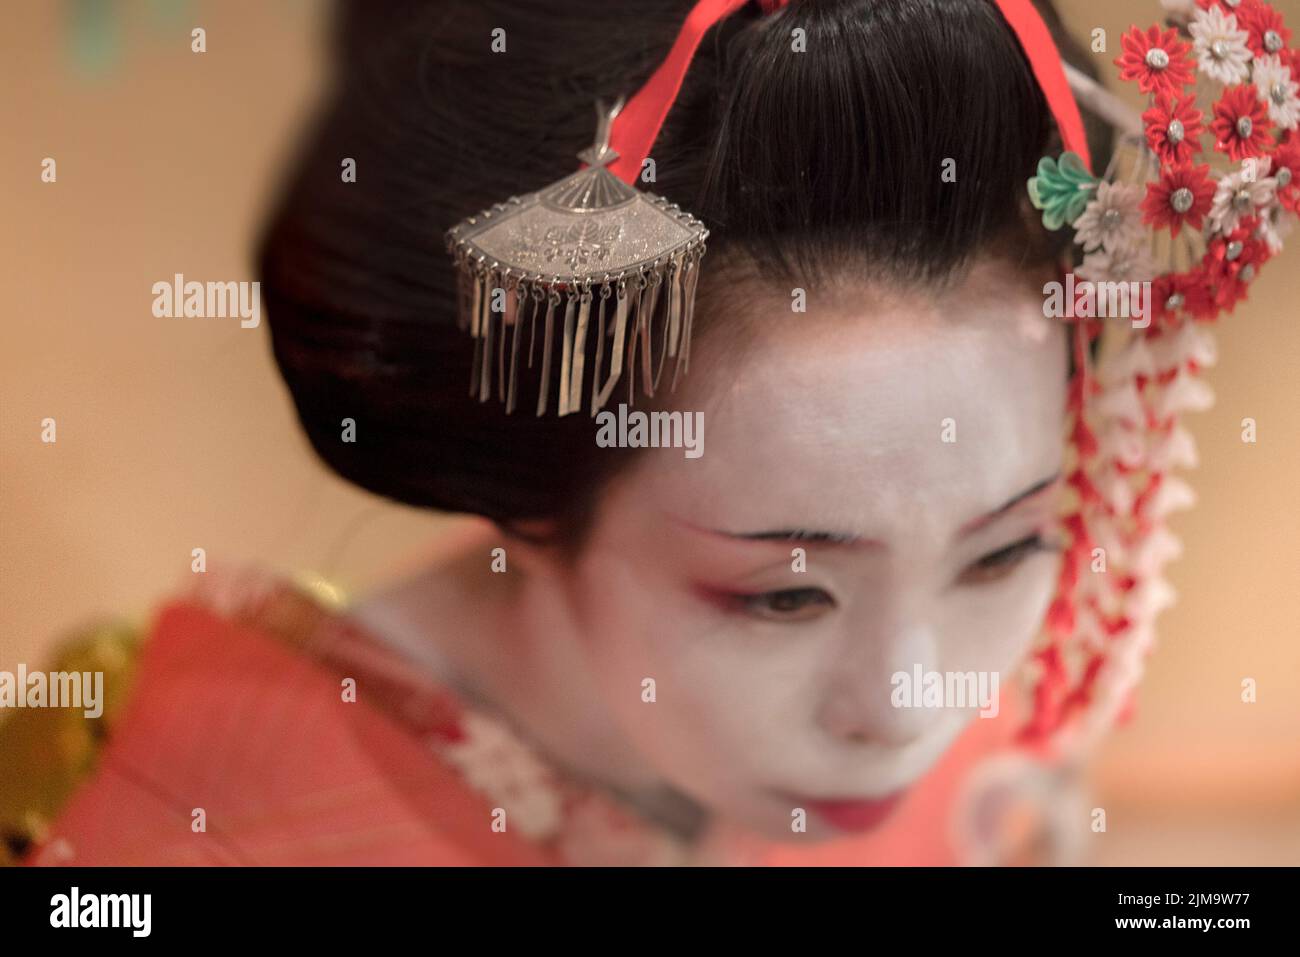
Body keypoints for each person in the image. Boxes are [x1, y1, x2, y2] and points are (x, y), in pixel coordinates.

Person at [4, 0, 1291, 866]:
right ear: (532, 486)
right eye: (785, 594)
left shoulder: (959, 761)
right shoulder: (222, 828)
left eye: (1006, 552)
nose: (912, 699)